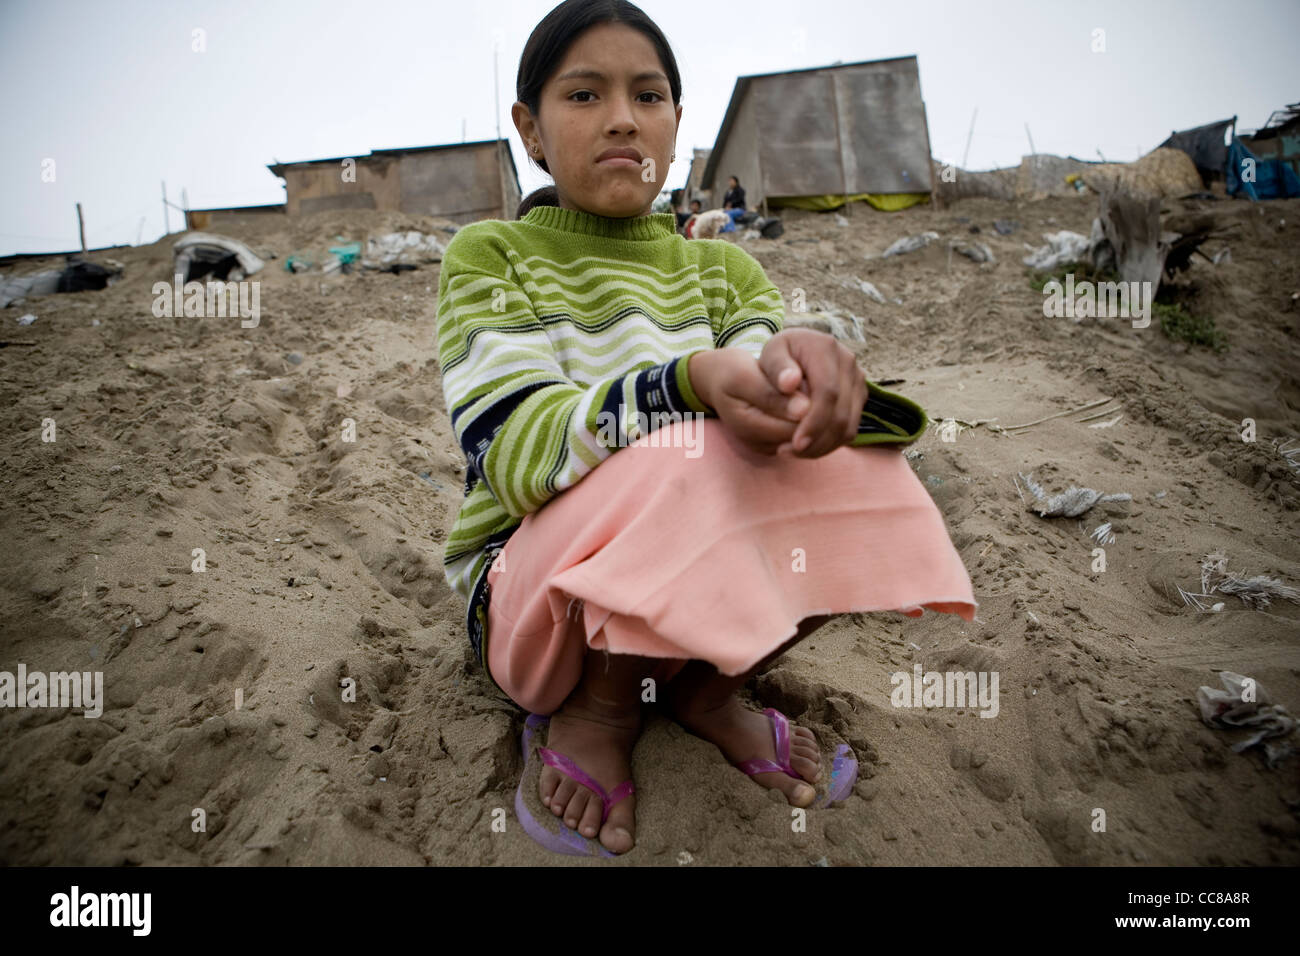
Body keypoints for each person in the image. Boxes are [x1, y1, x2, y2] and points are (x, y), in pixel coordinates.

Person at [435, 0, 976, 856]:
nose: (623, 118)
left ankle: (708, 684)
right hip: (535, 610)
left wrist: (805, 381)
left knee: (855, 465)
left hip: (690, 598)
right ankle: (601, 709)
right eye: (584, 95)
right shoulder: (491, 255)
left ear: (677, 122)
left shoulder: (724, 269)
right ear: (530, 129)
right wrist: (683, 383)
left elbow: (761, 388)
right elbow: (514, 451)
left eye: (648, 96)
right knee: (691, 448)